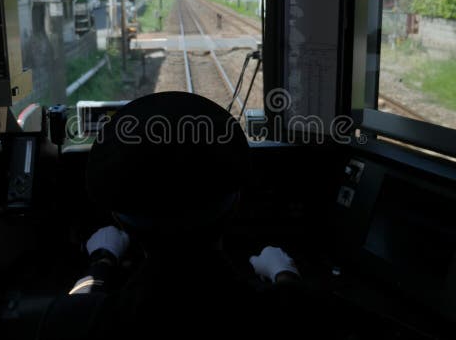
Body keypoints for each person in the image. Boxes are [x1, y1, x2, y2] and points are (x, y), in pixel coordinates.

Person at [37, 92, 346, 340]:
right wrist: (284, 273)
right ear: (235, 204)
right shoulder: (304, 316)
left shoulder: (69, 323)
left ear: (118, 218)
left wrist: (102, 261)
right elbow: (296, 308)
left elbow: (81, 302)